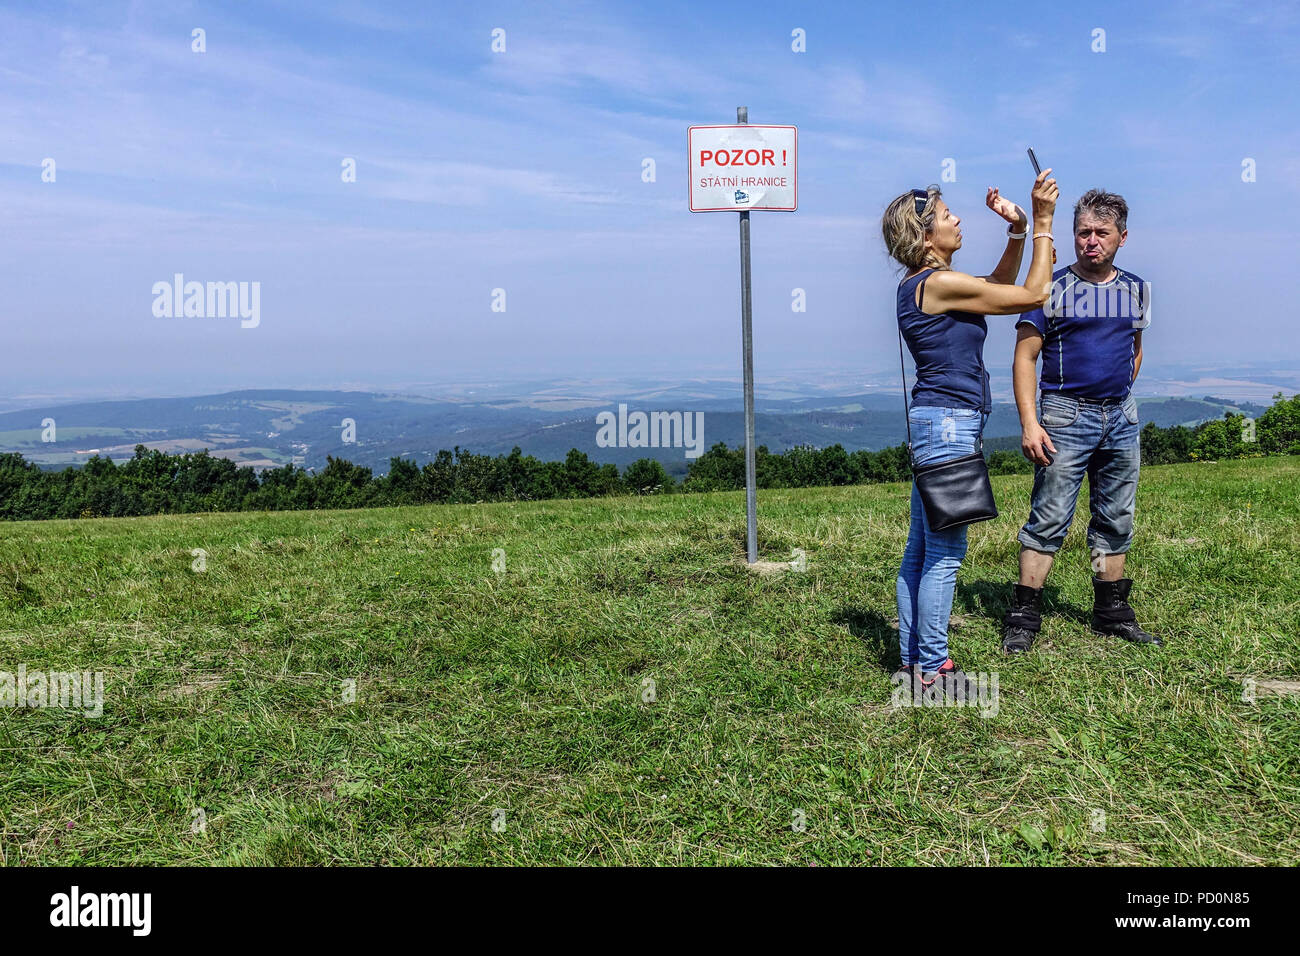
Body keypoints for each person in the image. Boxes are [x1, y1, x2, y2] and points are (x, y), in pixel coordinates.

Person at [881, 169, 1058, 695]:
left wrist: (1017, 233)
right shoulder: (934, 283)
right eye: (945, 216)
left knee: (920, 550)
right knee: (944, 553)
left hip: (934, 423)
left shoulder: (925, 285)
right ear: (924, 236)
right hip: (949, 425)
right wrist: (1045, 221)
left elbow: (994, 290)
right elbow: (1032, 293)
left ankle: (915, 663)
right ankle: (934, 672)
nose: (956, 219)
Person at [1002, 189, 1162, 653]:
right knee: (1049, 517)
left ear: (1122, 238)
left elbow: (1135, 350)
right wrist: (1031, 424)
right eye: (1083, 233)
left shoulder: (1137, 289)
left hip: (1121, 414)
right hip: (1065, 414)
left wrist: (1121, 400)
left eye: (1101, 233)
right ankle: (1024, 616)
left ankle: (1111, 612)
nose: (1090, 241)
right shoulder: (1049, 287)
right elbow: (1024, 358)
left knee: (1116, 517)